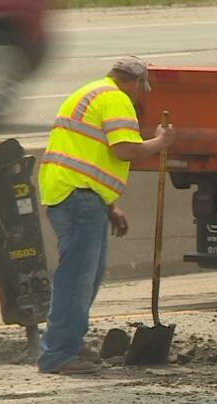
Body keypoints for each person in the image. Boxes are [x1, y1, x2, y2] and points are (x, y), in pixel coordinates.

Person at [37, 56, 176, 375]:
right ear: (135, 82)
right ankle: (58, 354)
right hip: (78, 196)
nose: (143, 94)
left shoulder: (90, 92)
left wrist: (110, 206)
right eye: (144, 87)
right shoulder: (115, 98)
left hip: (73, 193)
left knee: (87, 276)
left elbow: (87, 151)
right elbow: (124, 149)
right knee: (77, 279)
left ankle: (69, 342)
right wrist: (161, 141)